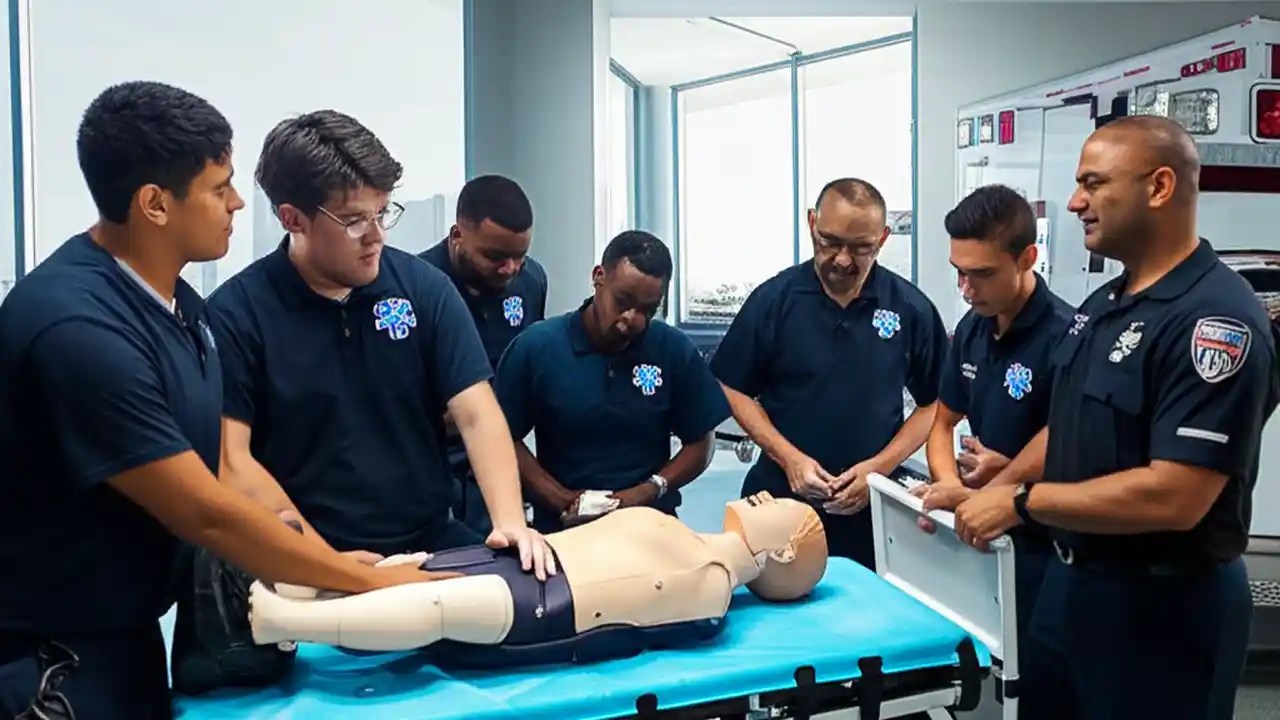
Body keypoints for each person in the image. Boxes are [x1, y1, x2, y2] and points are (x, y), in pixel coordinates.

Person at [0, 82, 434, 720]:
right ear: (154, 203)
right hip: (52, 659)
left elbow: (227, 469)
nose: (236, 202)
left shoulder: (182, 309)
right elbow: (201, 510)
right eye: (218, 187)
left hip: (131, 636)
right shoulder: (75, 327)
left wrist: (324, 563)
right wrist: (366, 583)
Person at [944, 116, 1279, 719]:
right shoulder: (1105, 306)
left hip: (1163, 604)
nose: (1075, 202)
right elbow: (1069, 426)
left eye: (1093, 184)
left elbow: (1175, 495)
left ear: (1158, 187)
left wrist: (1019, 502)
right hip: (1071, 588)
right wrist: (984, 490)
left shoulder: (1215, 321)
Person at [205, 110, 552, 578]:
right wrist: (322, 564)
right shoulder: (236, 314)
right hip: (309, 554)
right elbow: (233, 460)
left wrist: (510, 523)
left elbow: (476, 411)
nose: (377, 236)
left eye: (382, 212)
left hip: (429, 540)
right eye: (353, 221)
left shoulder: (423, 289)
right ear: (293, 219)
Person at [172, 491, 827, 691]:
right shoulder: (691, 541)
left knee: (436, 604)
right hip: (536, 560)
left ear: (785, 550)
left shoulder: (711, 588)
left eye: (787, 509)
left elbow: (626, 607)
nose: (770, 494)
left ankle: (280, 621)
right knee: (400, 569)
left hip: (556, 607)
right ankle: (284, 591)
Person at [710, 178, 948, 569]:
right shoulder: (775, 301)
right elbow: (732, 386)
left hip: (872, 510)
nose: (841, 259)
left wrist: (879, 468)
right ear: (810, 224)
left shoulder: (910, 309)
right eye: (829, 242)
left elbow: (934, 403)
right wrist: (788, 458)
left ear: (883, 239)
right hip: (779, 500)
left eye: (860, 248)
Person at [916, 184, 1073, 678]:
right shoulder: (972, 328)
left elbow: (1070, 439)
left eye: (981, 274)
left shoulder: (1067, 337)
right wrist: (951, 487)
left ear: (1028, 257)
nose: (966, 288)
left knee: (1032, 675)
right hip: (977, 524)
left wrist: (1000, 480)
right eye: (959, 273)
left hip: (1042, 545)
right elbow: (942, 422)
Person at [494, 231, 731, 533]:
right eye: (623, 301)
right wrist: (562, 500)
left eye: (648, 308)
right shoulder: (538, 348)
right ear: (598, 277)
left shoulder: (672, 350)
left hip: (650, 526)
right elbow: (500, 437)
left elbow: (701, 442)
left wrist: (649, 490)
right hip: (563, 532)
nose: (632, 319)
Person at [419, 175, 549, 536]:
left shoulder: (531, 281)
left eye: (519, 256)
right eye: (495, 256)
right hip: (433, 462)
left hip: (500, 457)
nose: (509, 268)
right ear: (457, 235)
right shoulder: (416, 287)